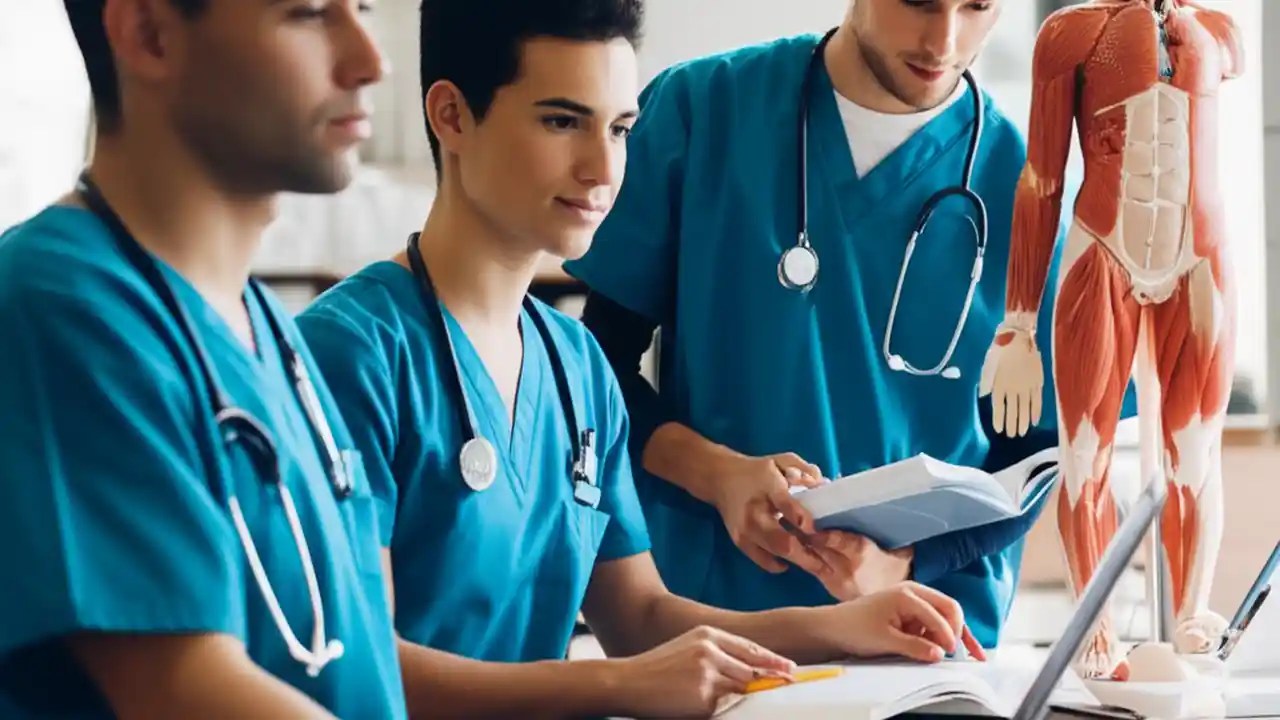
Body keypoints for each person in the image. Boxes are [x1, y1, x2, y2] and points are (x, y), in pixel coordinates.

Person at [297, 1, 985, 717]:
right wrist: (616, 686)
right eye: (561, 121)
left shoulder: (577, 368)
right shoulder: (347, 357)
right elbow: (354, 666)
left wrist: (841, 627)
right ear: (451, 116)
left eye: (621, 128)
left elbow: (640, 618)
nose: (602, 169)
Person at [564, 0, 1096, 649]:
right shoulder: (704, 112)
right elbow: (591, 369)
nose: (944, 39)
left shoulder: (1028, 190)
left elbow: (1041, 453)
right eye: (919, 3)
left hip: (924, 634)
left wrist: (904, 566)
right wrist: (718, 474)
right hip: (715, 628)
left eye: (977, 6)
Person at [0, 1, 402, 718]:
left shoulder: (266, 329)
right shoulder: (55, 309)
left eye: (364, 6)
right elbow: (185, 690)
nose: (371, 61)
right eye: (311, 13)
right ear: (150, 35)